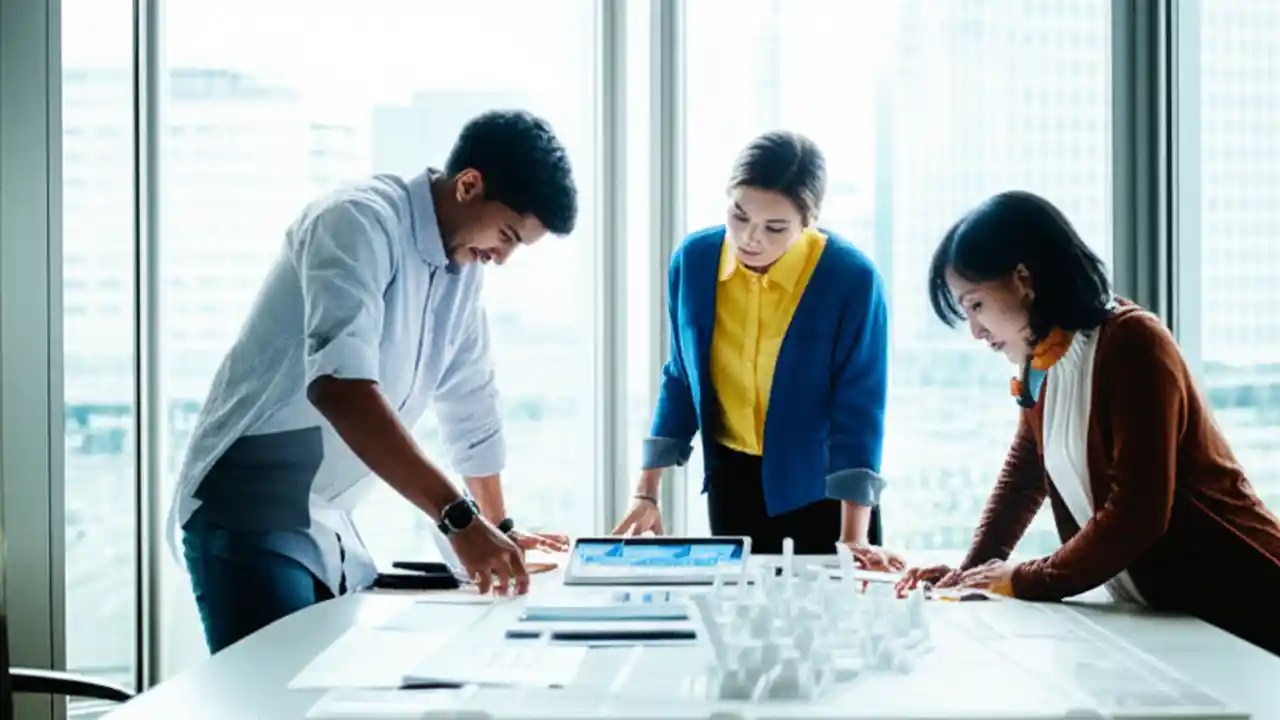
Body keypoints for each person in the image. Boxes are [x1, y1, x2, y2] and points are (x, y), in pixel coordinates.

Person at [170, 109, 576, 653]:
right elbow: (342, 389)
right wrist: (460, 521)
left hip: (326, 518)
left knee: (327, 695)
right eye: (506, 235)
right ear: (469, 185)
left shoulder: (461, 273)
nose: (501, 258)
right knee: (273, 702)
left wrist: (497, 529)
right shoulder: (356, 222)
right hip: (253, 508)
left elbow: (470, 404)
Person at [896, 190, 1280, 655]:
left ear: (1023, 279)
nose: (974, 331)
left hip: (1249, 598)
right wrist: (971, 574)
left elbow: (1138, 510)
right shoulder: (1044, 357)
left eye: (975, 305)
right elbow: (1025, 476)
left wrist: (1025, 577)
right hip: (1177, 612)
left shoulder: (1133, 342)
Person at [612, 131, 898, 565]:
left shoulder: (851, 280)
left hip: (825, 497)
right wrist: (646, 492)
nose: (750, 239)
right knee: (738, 621)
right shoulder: (693, 262)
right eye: (739, 216)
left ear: (810, 219)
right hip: (732, 487)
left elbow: (859, 414)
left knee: (829, 624)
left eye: (775, 227)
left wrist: (853, 540)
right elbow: (680, 379)